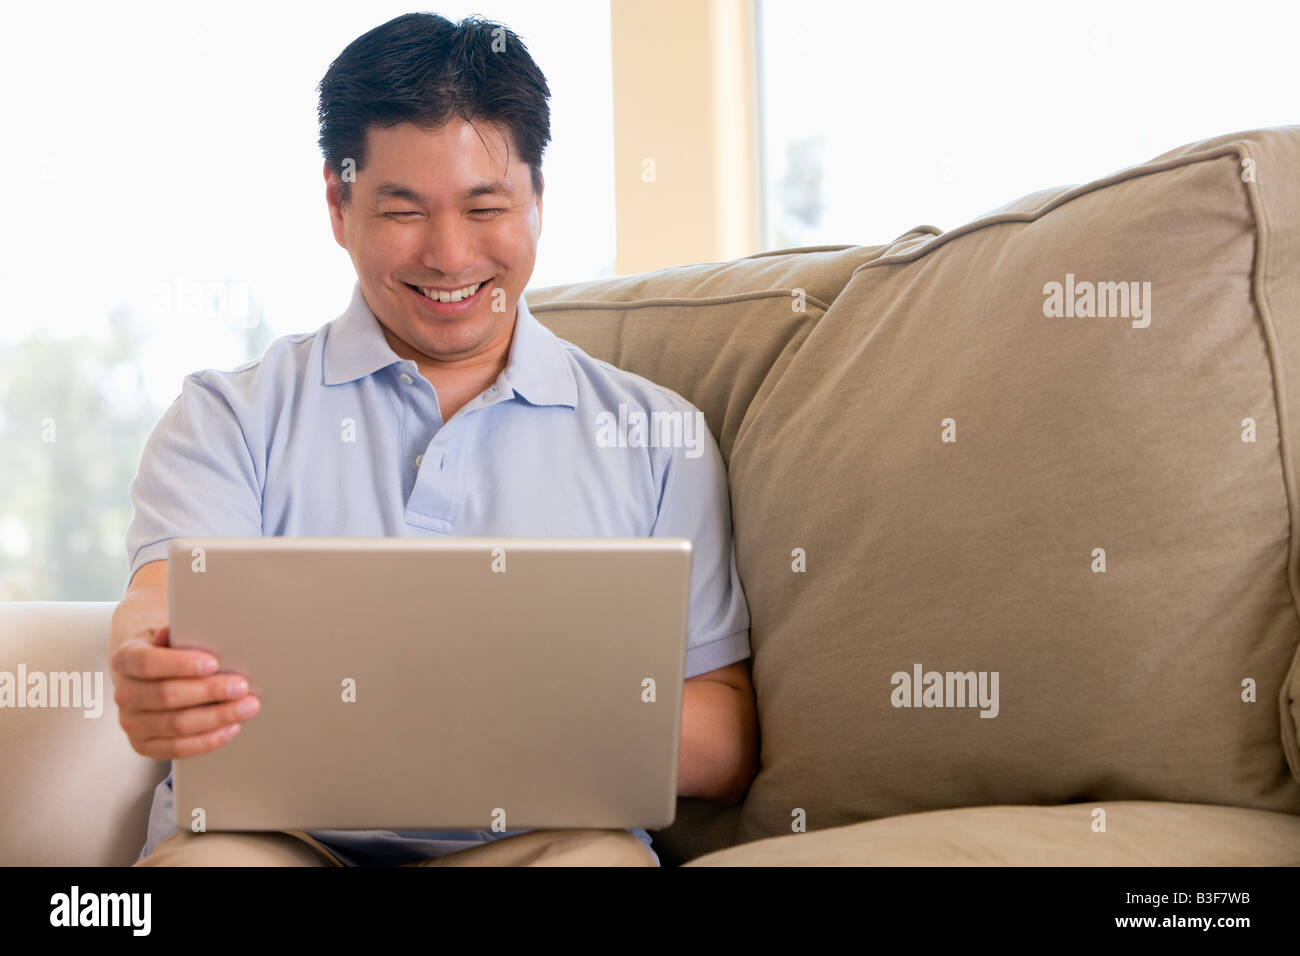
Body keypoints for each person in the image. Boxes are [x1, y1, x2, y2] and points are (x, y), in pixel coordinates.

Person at [109, 12, 757, 867]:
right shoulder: (228, 417)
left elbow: (724, 734)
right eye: (404, 210)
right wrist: (145, 663)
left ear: (537, 202)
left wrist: (499, 720)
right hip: (268, 839)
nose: (450, 257)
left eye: (486, 207)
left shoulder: (657, 437)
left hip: (542, 842)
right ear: (339, 206)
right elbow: (161, 602)